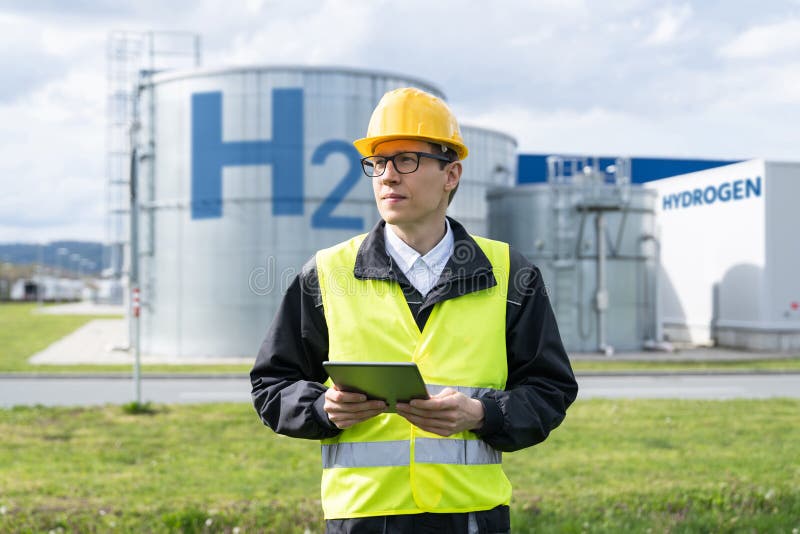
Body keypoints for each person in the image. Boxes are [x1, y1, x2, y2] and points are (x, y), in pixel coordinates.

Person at [251, 87, 578, 533]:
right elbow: (271, 386)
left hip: (470, 517)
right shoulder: (326, 274)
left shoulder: (511, 274)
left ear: (451, 174)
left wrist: (482, 414)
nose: (387, 176)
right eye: (377, 162)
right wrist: (323, 408)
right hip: (362, 519)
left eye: (406, 159)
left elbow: (550, 390)